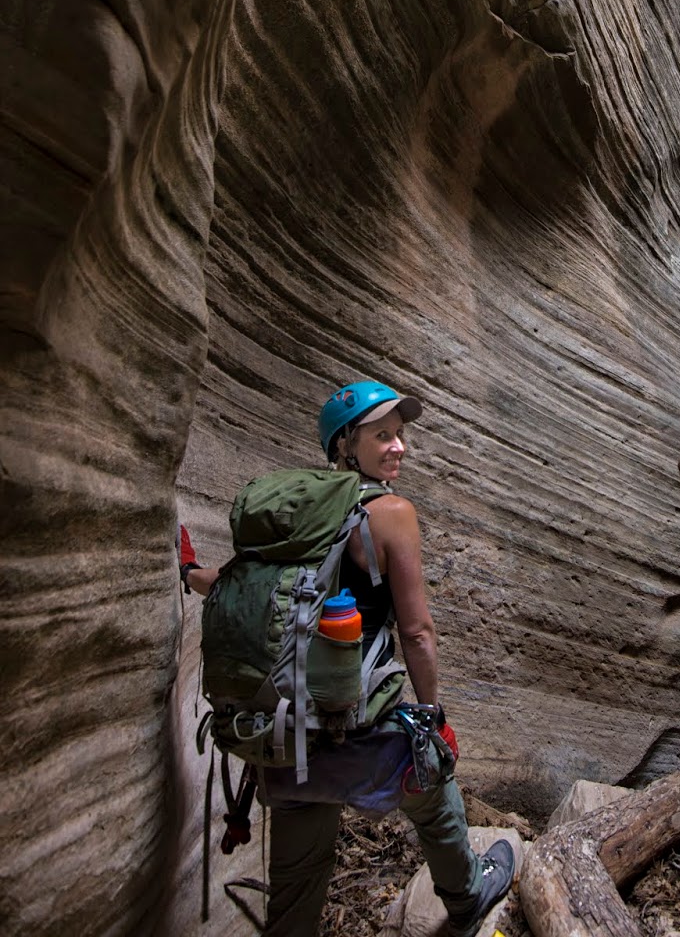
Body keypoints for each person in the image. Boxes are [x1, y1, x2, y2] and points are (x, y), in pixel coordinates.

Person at [180, 379, 514, 937]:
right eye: (382, 435)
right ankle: (468, 892)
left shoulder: (297, 520)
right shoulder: (392, 513)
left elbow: (230, 581)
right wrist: (433, 719)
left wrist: (189, 571)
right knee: (432, 785)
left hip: (283, 736)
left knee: (297, 879)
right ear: (343, 445)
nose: (398, 446)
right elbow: (417, 632)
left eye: (400, 435)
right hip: (358, 735)